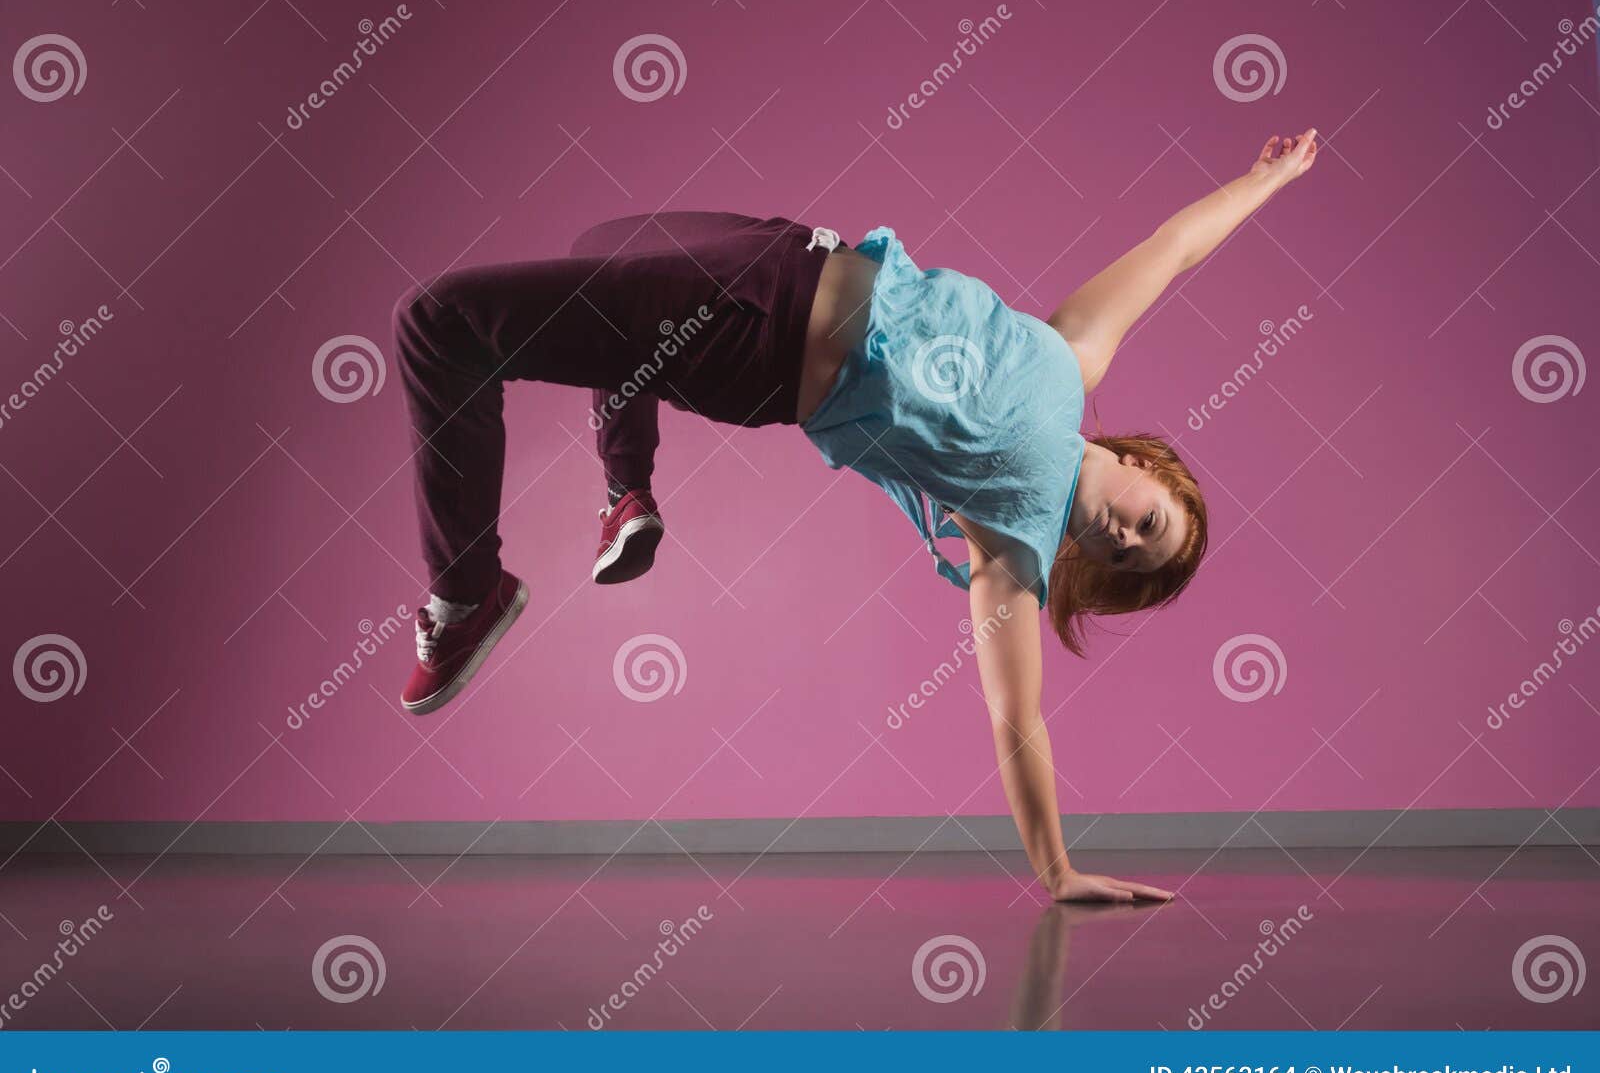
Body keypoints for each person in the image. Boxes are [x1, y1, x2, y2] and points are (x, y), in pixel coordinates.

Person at [390, 129, 1320, 902]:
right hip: (789, 254)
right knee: (598, 241)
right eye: (1149, 524)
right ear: (1140, 462)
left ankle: (469, 591)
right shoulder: (1073, 358)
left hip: (745, 344)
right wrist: (1267, 179)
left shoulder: (1009, 545)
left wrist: (1057, 868)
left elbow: (1016, 715)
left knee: (439, 321)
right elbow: (1175, 247)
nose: (1124, 541)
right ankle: (623, 489)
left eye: (1129, 563)